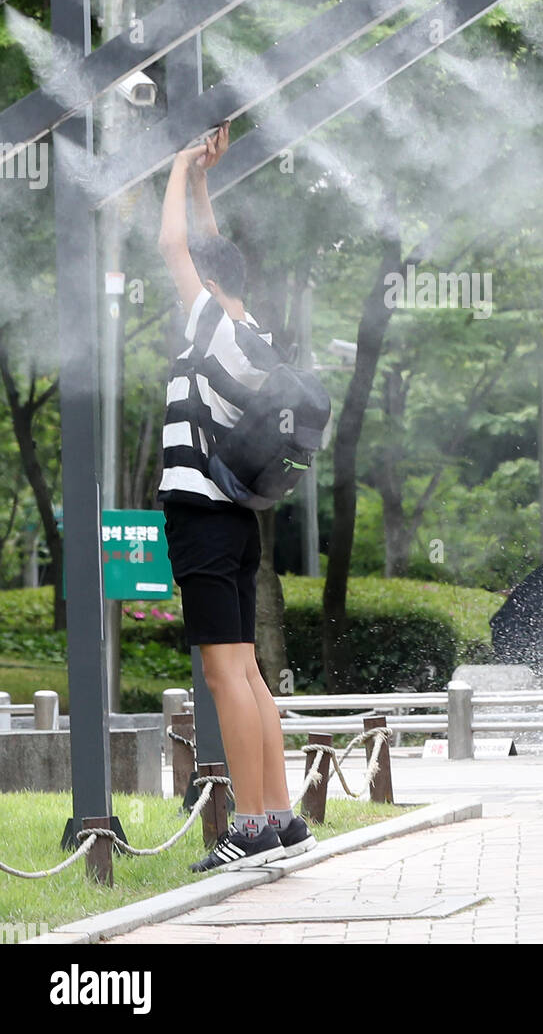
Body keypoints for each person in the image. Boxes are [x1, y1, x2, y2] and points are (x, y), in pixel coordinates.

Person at [157, 121, 315, 873]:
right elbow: (207, 252)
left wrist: (182, 161)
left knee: (225, 675)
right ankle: (279, 816)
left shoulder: (210, 325)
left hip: (199, 512)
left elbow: (173, 249)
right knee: (246, 671)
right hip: (237, 517)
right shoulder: (249, 329)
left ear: (208, 284)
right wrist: (200, 185)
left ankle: (249, 825)